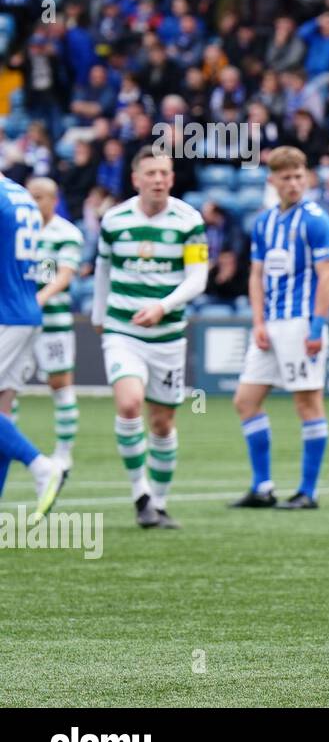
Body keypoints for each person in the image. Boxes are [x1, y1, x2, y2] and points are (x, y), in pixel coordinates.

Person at [92, 151, 209, 529]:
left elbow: (197, 278)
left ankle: (158, 503)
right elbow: (103, 270)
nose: (158, 179)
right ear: (135, 178)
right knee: (129, 405)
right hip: (123, 330)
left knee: (162, 423)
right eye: (151, 173)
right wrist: (98, 316)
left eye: (164, 173)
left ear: (172, 179)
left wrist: (162, 306)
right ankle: (139, 493)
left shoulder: (189, 220)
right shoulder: (114, 219)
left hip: (169, 335)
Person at [230, 147, 329, 511]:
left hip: (301, 322)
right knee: (245, 401)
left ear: (305, 177)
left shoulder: (315, 219)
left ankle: (308, 491)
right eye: (286, 178)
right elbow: (255, 276)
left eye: (298, 176)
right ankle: (262, 487)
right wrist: (257, 321)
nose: (293, 183)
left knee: (307, 403)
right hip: (270, 324)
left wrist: (317, 326)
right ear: (272, 181)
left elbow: (326, 276)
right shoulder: (263, 222)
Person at [0, 172, 69, 519]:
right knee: (2, 412)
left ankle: (41, 465)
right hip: (24, 309)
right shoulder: (21, 194)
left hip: (4, 312)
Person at [28, 178, 84, 470]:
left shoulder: (66, 233)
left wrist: (37, 299)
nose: (34, 203)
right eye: (30, 197)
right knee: (6, 385)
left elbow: (63, 276)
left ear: (53, 198)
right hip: (18, 322)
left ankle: (64, 452)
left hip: (53, 320)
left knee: (59, 383)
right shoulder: (19, 230)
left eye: (39, 197)